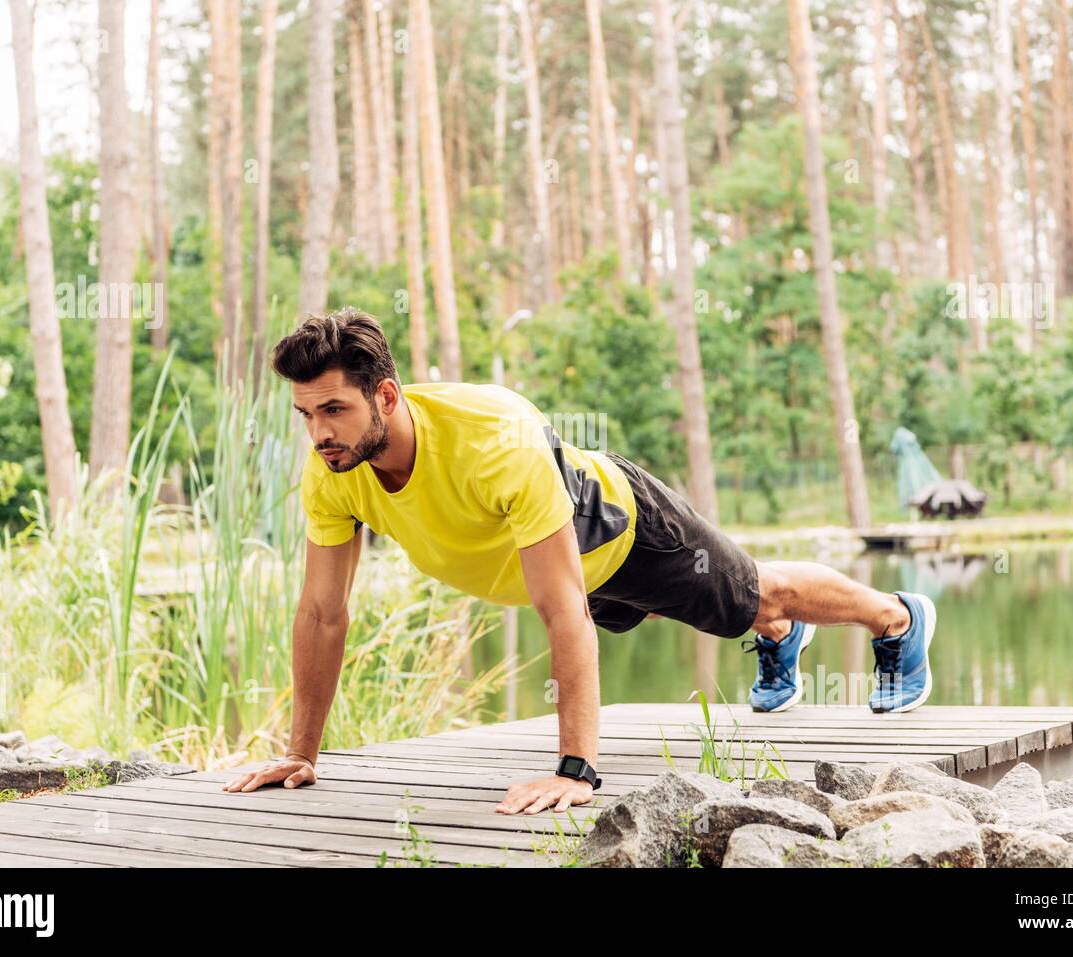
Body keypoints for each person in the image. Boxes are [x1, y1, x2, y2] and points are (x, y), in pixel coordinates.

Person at [223, 307, 936, 814]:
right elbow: (322, 611)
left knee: (759, 594)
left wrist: (576, 771)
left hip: (623, 533)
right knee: (711, 612)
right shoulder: (335, 467)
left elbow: (560, 606)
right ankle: (780, 639)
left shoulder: (494, 437)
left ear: (385, 393)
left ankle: (898, 618)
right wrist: (302, 753)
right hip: (569, 574)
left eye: (334, 410)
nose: (319, 433)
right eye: (306, 415)